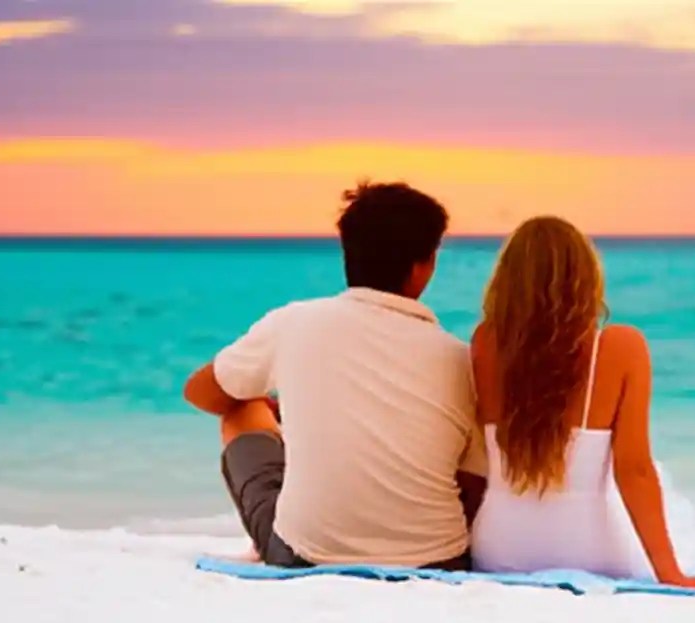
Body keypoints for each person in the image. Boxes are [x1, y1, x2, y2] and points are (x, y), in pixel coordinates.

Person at [183, 182, 487, 570]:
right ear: (422, 267)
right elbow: (473, 485)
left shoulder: (295, 323)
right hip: (439, 559)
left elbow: (202, 392)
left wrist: (288, 407)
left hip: (305, 555)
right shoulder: (458, 359)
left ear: (349, 253)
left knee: (242, 408)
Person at [469, 216, 695, 594]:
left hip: (501, 547)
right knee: (664, 489)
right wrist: (671, 576)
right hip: (588, 548)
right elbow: (635, 471)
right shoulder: (621, 347)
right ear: (586, 278)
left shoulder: (485, 342)